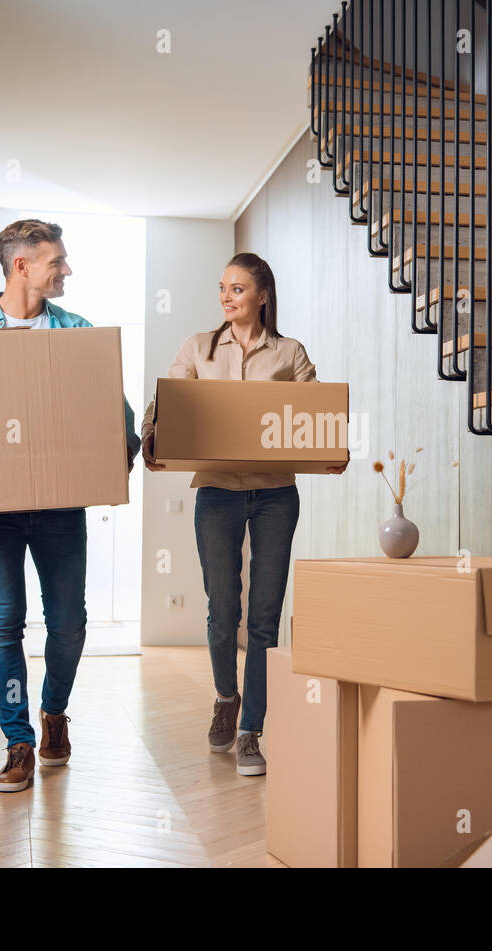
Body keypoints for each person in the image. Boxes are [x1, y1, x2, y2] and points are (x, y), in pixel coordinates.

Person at [0, 219, 141, 793]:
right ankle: (18, 743)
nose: (66, 269)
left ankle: (54, 710)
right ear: (22, 267)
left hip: (60, 504)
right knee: (3, 621)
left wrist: (123, 446)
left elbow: (116, 415)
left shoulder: (76, 331)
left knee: (68, 622)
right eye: (57, 260)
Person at [142, 253, 345, 776]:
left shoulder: (289, 353)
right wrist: (152, 436)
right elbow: (166, 403)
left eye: (237, 288)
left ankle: (252, 730)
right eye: (222, 288)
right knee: (222, 610)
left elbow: (318, 412)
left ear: (262, 296)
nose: (226, 296)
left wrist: (333, 448)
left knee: (265, 615)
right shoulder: (199, 349)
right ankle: (226, 698)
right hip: (216, 491)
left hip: (275, 493)